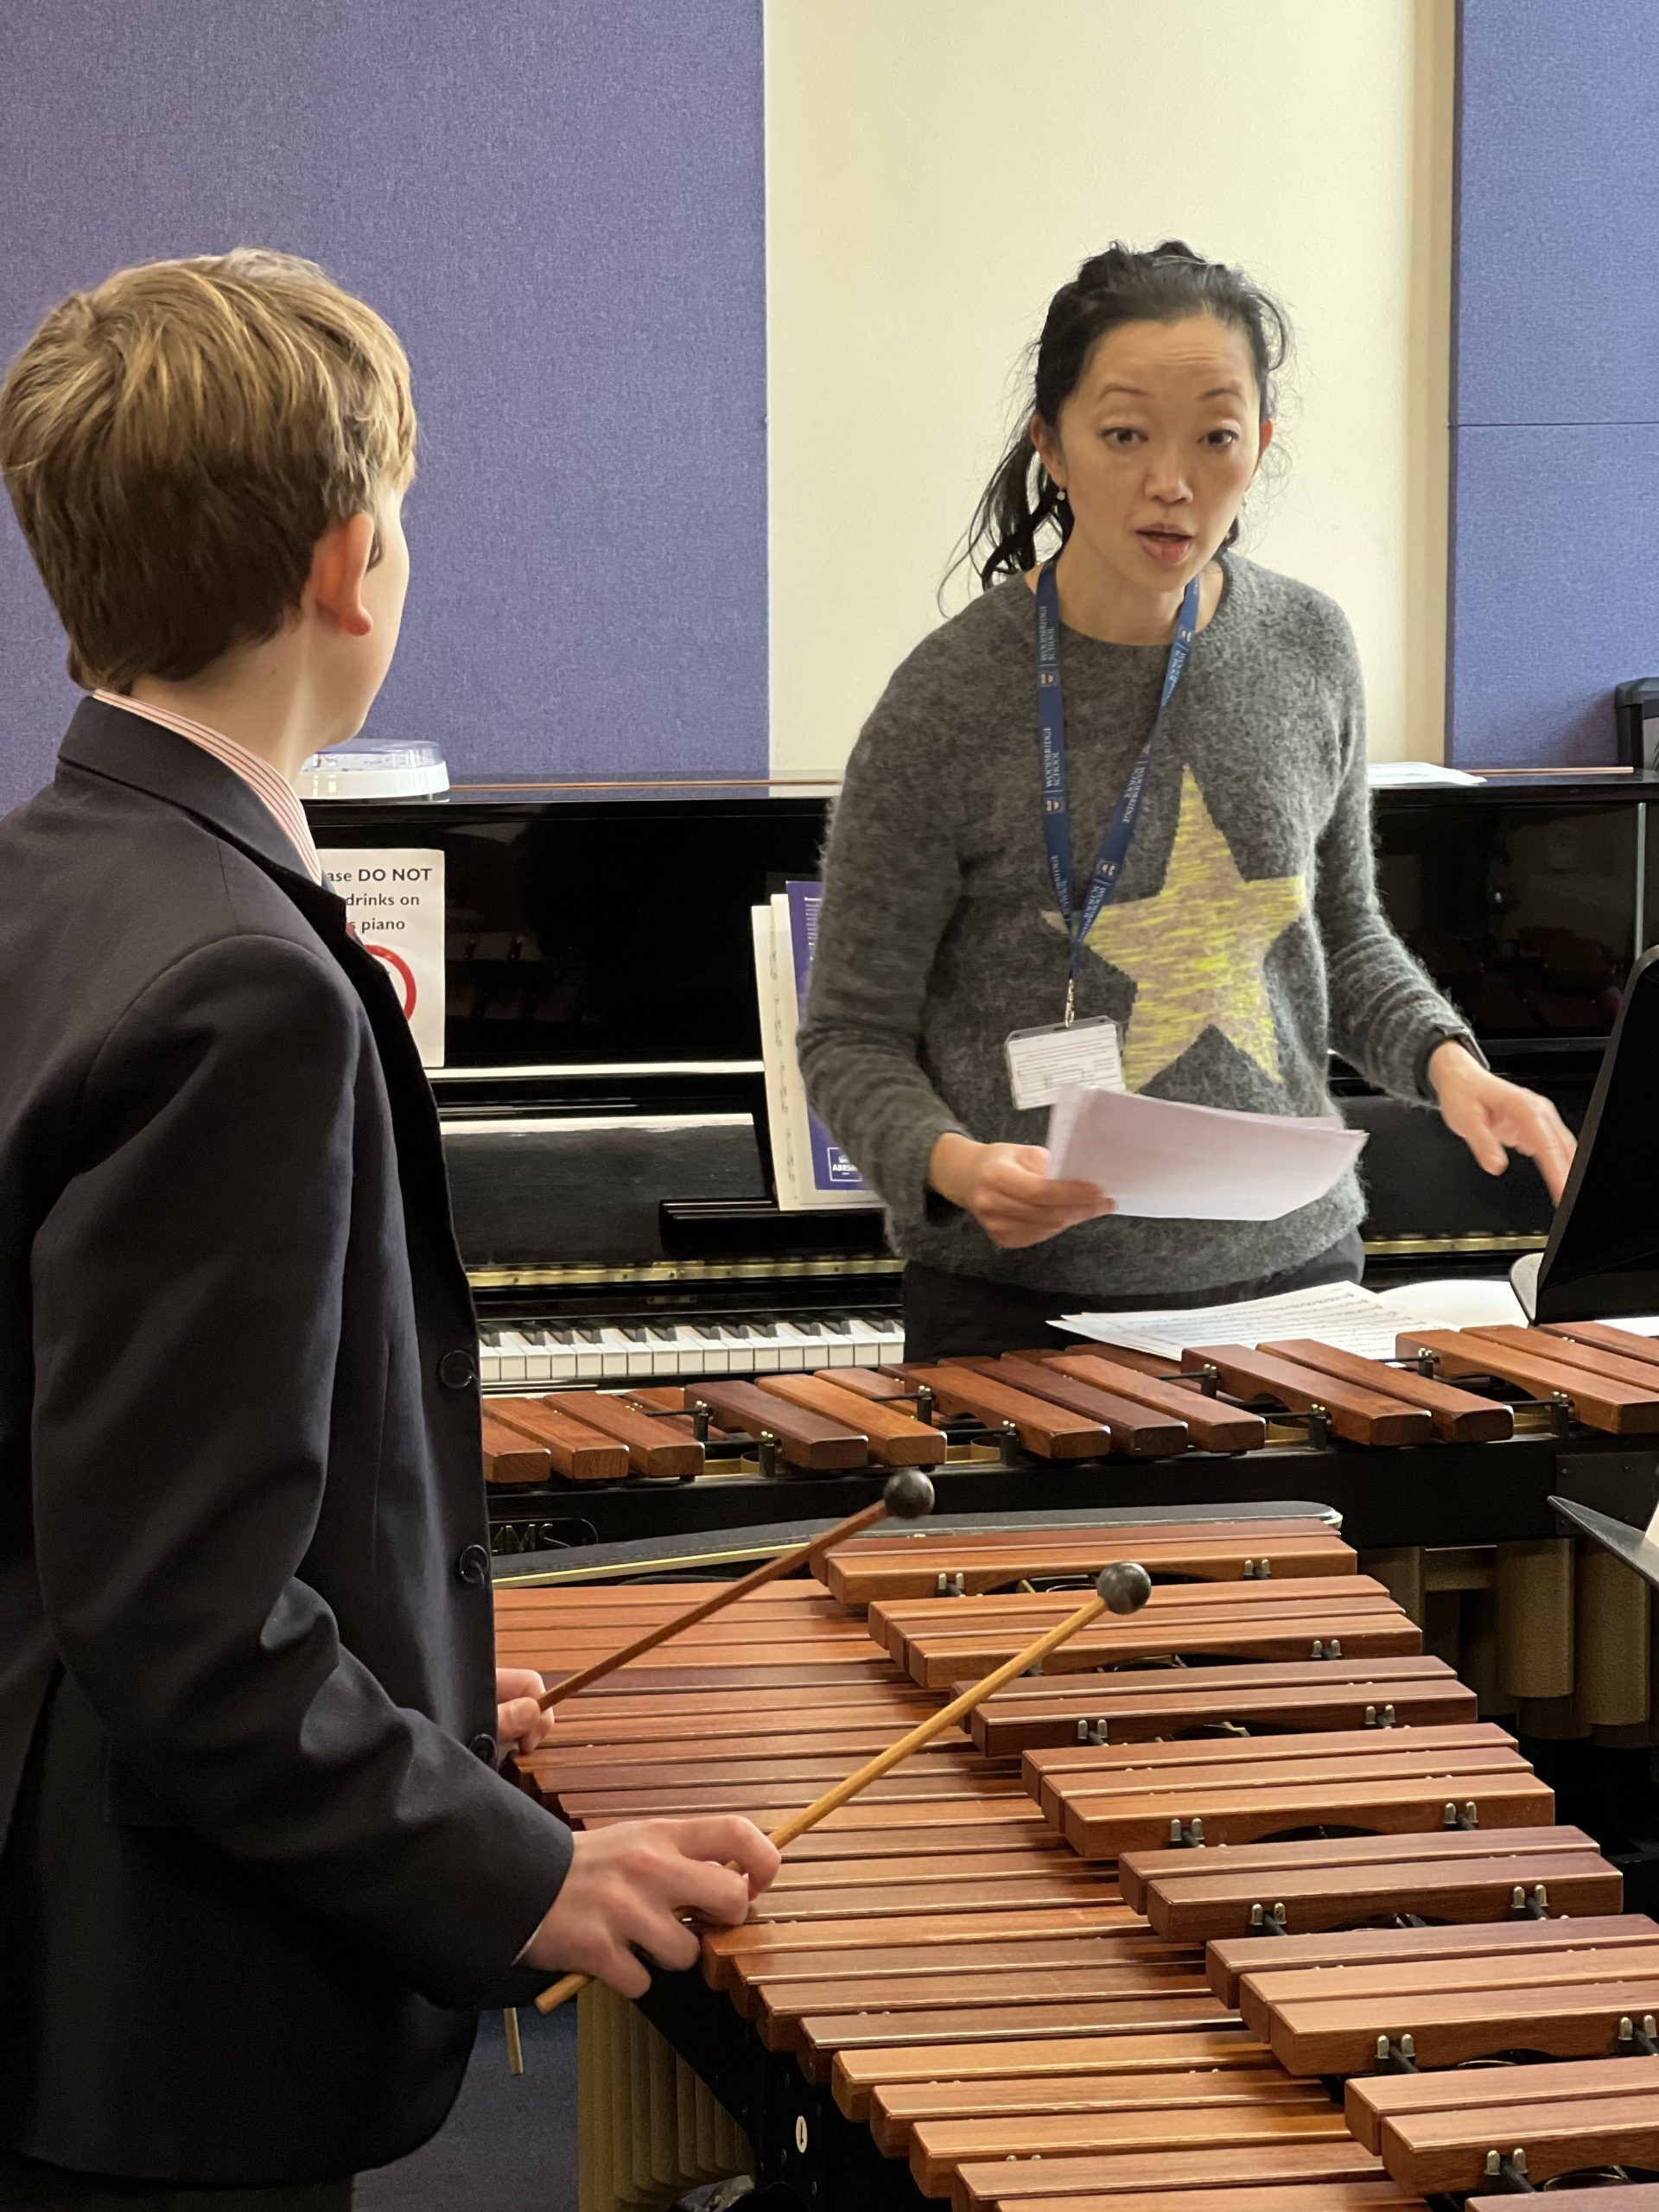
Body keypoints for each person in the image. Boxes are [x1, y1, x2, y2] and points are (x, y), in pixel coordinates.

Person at [0, 251, 779, 2208]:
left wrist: (415, 1683)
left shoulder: (54, 878)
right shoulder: (238, 982)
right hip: (153, 2021)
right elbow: (183, 1613)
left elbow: (85, 1475)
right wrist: (516, 1863)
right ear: (358, 565)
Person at [798, 241, 1574, 1361]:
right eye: (1124, 436)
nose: (1173, 482)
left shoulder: (1309, 648)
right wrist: (954, 1167)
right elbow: (851, 1036)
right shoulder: (945, 703)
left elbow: (1342, 941)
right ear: (1051, 446)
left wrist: (1453, 1067)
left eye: (1215, 437)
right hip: (1022, 1314)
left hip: (1297, 1288)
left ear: (1259, 446)